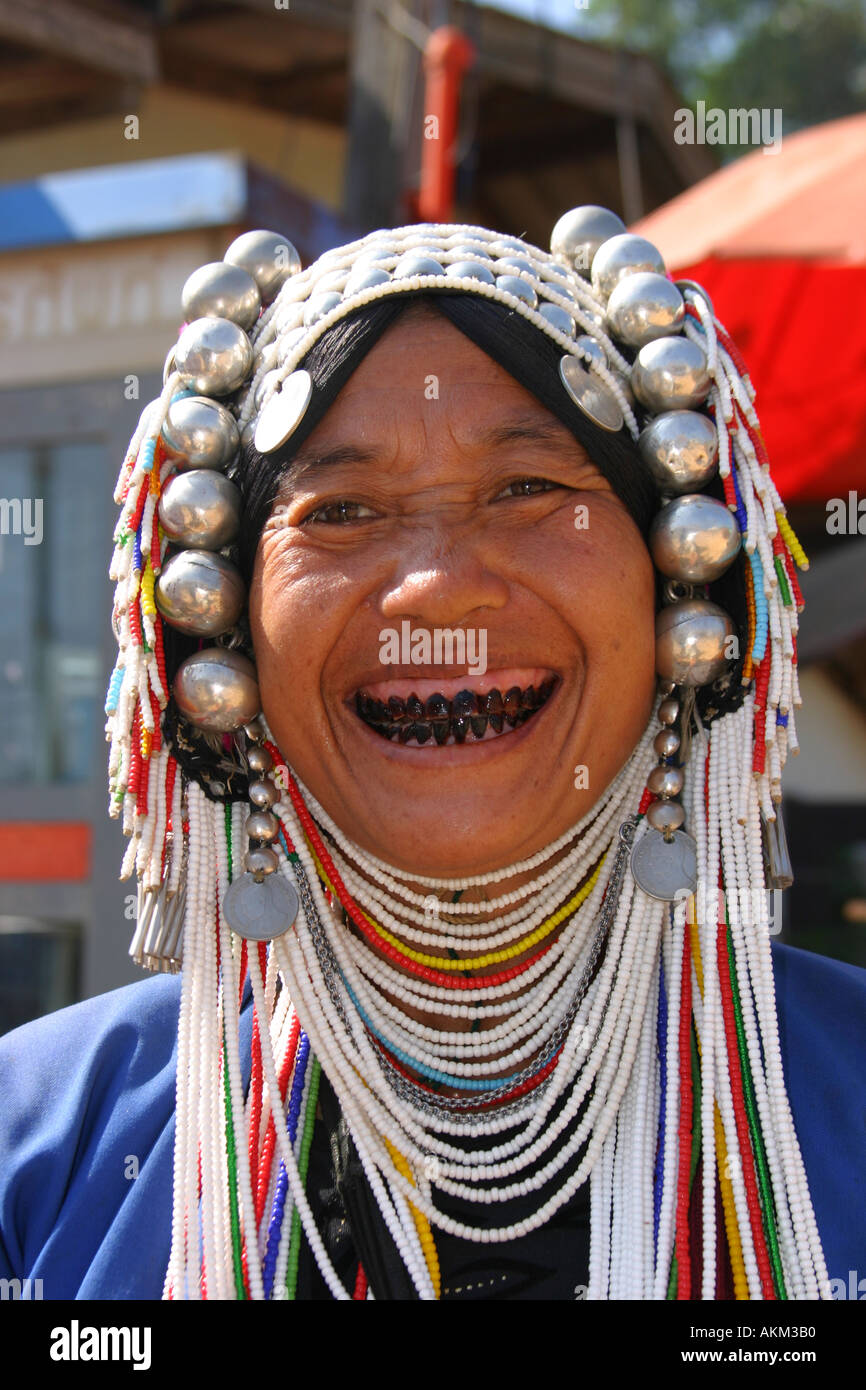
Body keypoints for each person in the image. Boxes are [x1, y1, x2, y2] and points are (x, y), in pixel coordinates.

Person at [1, 209, 864, 1301]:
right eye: (343, 509)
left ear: (675, 592)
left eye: (525, 490)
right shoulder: (39, 1150)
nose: (435, 587)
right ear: (222, 629)